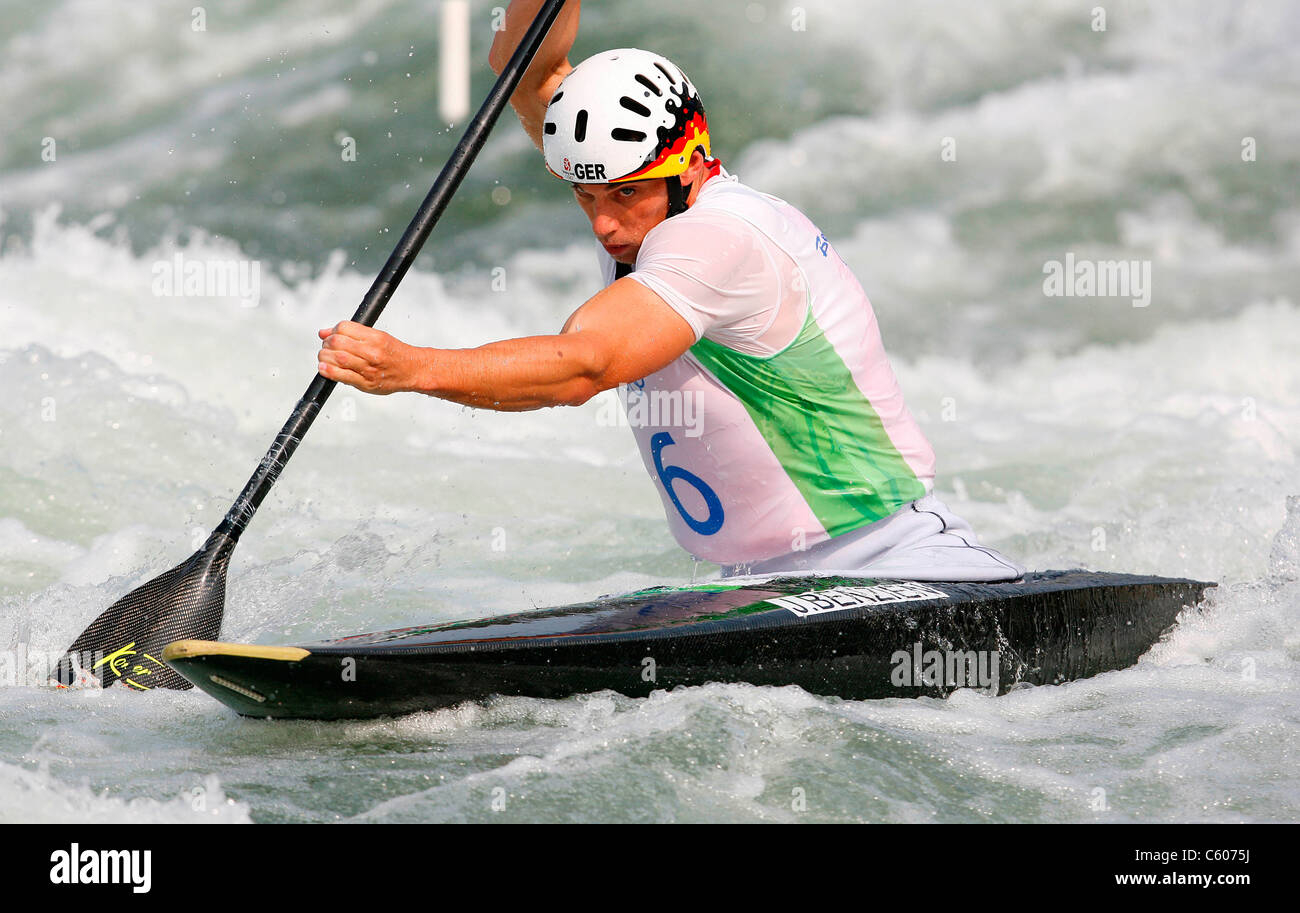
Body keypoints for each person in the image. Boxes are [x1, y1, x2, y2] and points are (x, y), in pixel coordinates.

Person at [316, 0, 1024, 582]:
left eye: (626, 194)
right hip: (764, 583)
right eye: (584, 194)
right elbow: (527, 67)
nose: (604, 223)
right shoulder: (639, 190)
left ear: (688, 168)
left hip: (897, 566)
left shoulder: (715, 239)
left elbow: (584, 365)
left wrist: (411, 368)